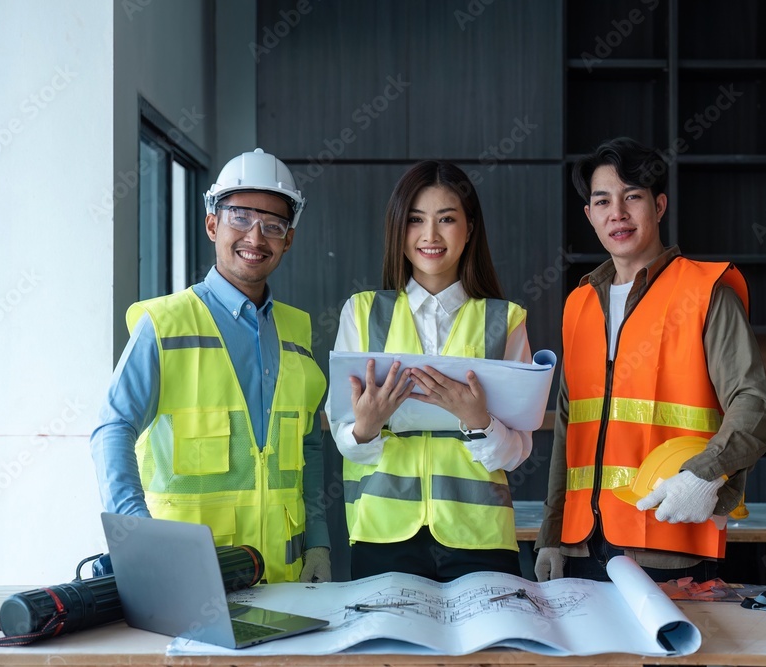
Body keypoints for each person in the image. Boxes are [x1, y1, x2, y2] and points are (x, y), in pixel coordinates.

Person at [534, 137, 766, 583]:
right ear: (589, 215)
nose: (618, 213)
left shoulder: (706, 292)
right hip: (583, 544)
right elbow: (569, 428)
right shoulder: (580, 304)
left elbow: (755, 406)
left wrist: (704, 476)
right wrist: (552, 532)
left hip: (669, 538)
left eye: (633, 197)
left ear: (659, 206)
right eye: (603, 200)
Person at [90, 148, 330, 584]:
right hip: (187, 578)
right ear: (212, 224)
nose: (255, 238)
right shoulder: (165, 325)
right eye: (240, 217)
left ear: (288, 239)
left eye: (273, 226)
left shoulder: (296, 331)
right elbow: (112, 428)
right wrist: (139, 539)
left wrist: (317, 542)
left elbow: (308, 445)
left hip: (284, 580)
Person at [327, 161, 533, 581]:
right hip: (382, 532)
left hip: (480, 537)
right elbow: (345, 439)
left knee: (487, 651)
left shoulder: (504, 319)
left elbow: (515, 454)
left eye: (447, 220)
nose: (430, 236)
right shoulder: (362, 313)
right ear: (398, 228)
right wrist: (366, 427)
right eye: (416, 220)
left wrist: (479, 422)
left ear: (470, 228)